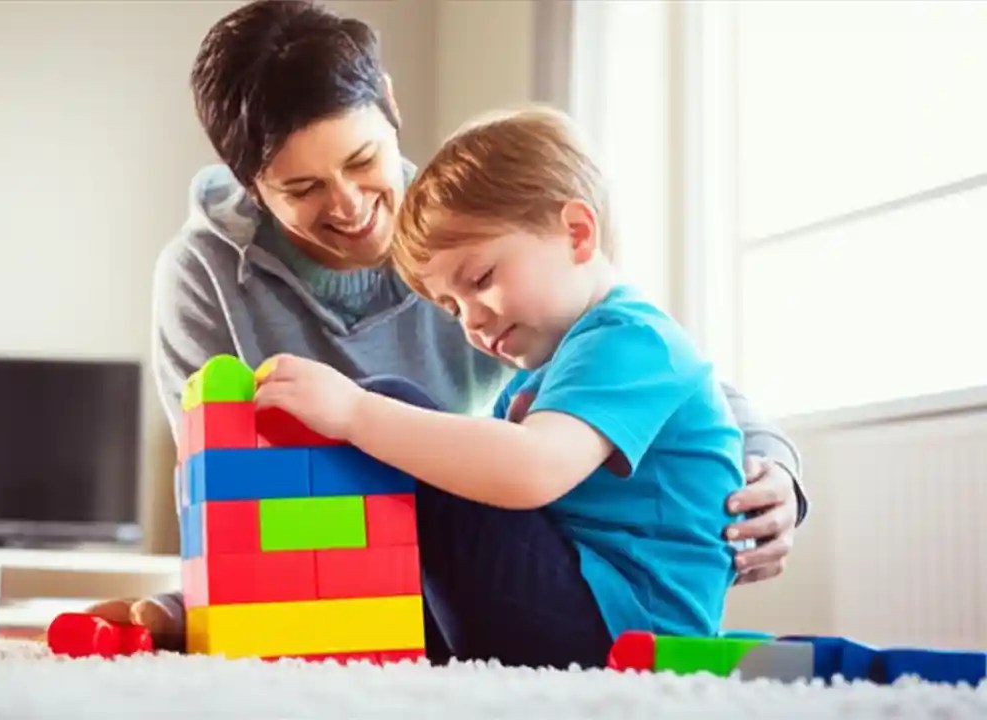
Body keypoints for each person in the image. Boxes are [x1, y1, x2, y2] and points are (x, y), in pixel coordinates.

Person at [86, 0, 806, 657]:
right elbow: (229, 496)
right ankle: (275, 623)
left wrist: (774, 464)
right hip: (445, 562)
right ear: (251, 186)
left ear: (392, 107)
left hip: (596, 606)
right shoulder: (205, 277)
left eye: (363, 161)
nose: (350, 207)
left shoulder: (489, 230)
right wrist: (210, 604)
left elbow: (660, 372)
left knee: (397, 401)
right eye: (302, 190)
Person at [250, 103, 744, 666]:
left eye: (480, 280)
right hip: (578, 606)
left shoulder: (634, 341)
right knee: (410, 455)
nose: (472, 322)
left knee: (393, 406)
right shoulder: (543, 376)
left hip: (622, 632)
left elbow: (530, 470)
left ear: (578, 233)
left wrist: (357, 413)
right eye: (451, 307)